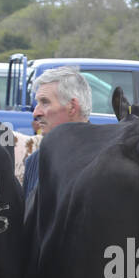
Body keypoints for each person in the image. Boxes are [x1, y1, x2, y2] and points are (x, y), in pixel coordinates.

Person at [22, 66, 92, 196]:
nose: (36, 113)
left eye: (45, 102)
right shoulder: (34, 162)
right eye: (37, 103)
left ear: (72, 107)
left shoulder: (103, 162)